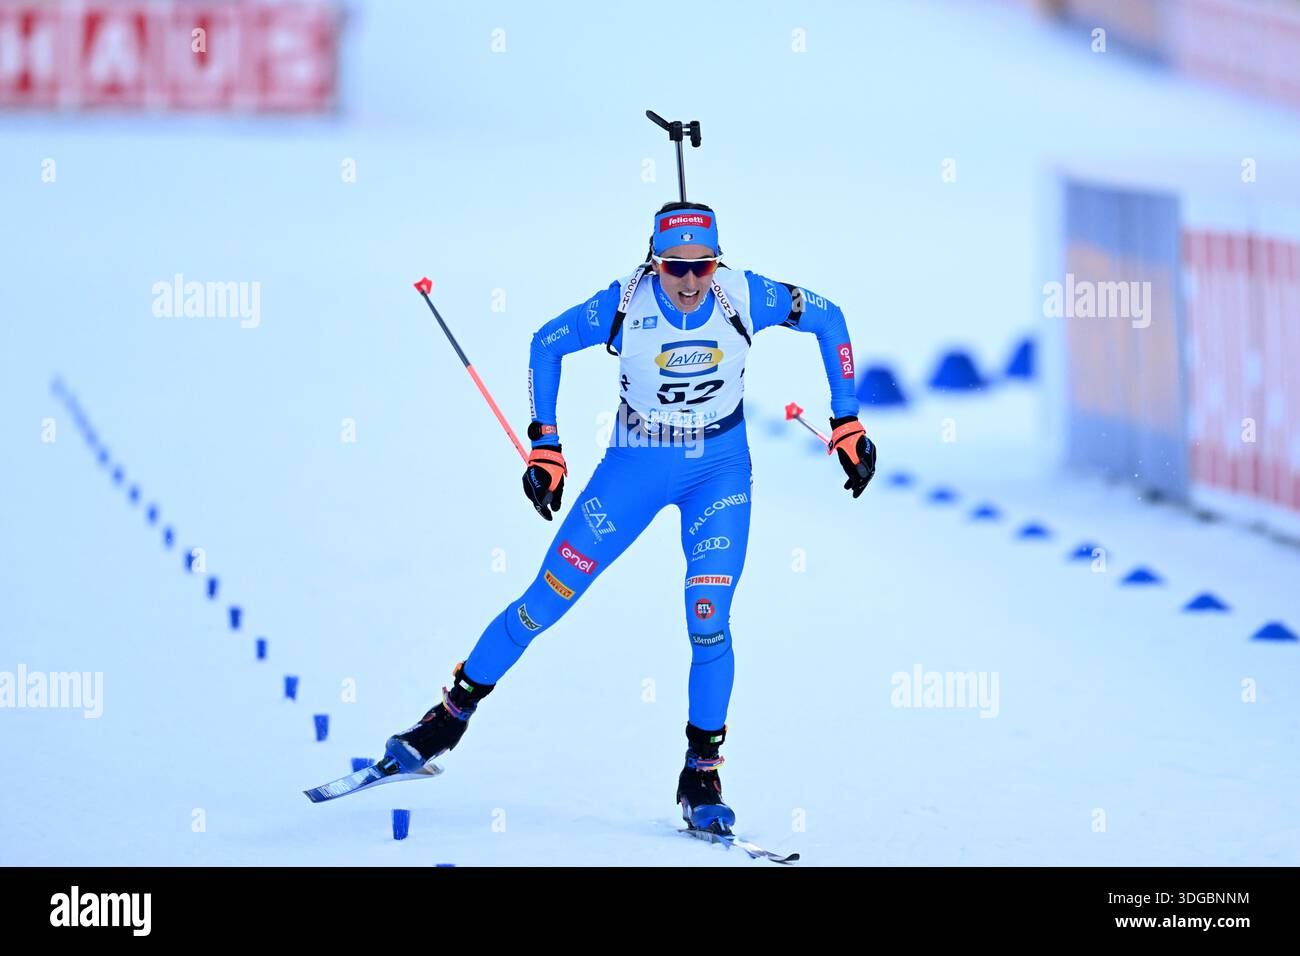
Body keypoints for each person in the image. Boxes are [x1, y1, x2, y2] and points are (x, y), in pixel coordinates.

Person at [385, 201, 876, 832]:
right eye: (675, 267)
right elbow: (547, 343)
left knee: (708, 618)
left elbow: (830, 319)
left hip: (718, 471)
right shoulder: (625, 303)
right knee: (545, 600)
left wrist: (847, 418)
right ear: (654, 262)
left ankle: (702, 772)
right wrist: (546, 444)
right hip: (634, 466)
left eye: (703, 265)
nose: (691, 280)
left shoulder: (746, 295)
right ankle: (448, 717)